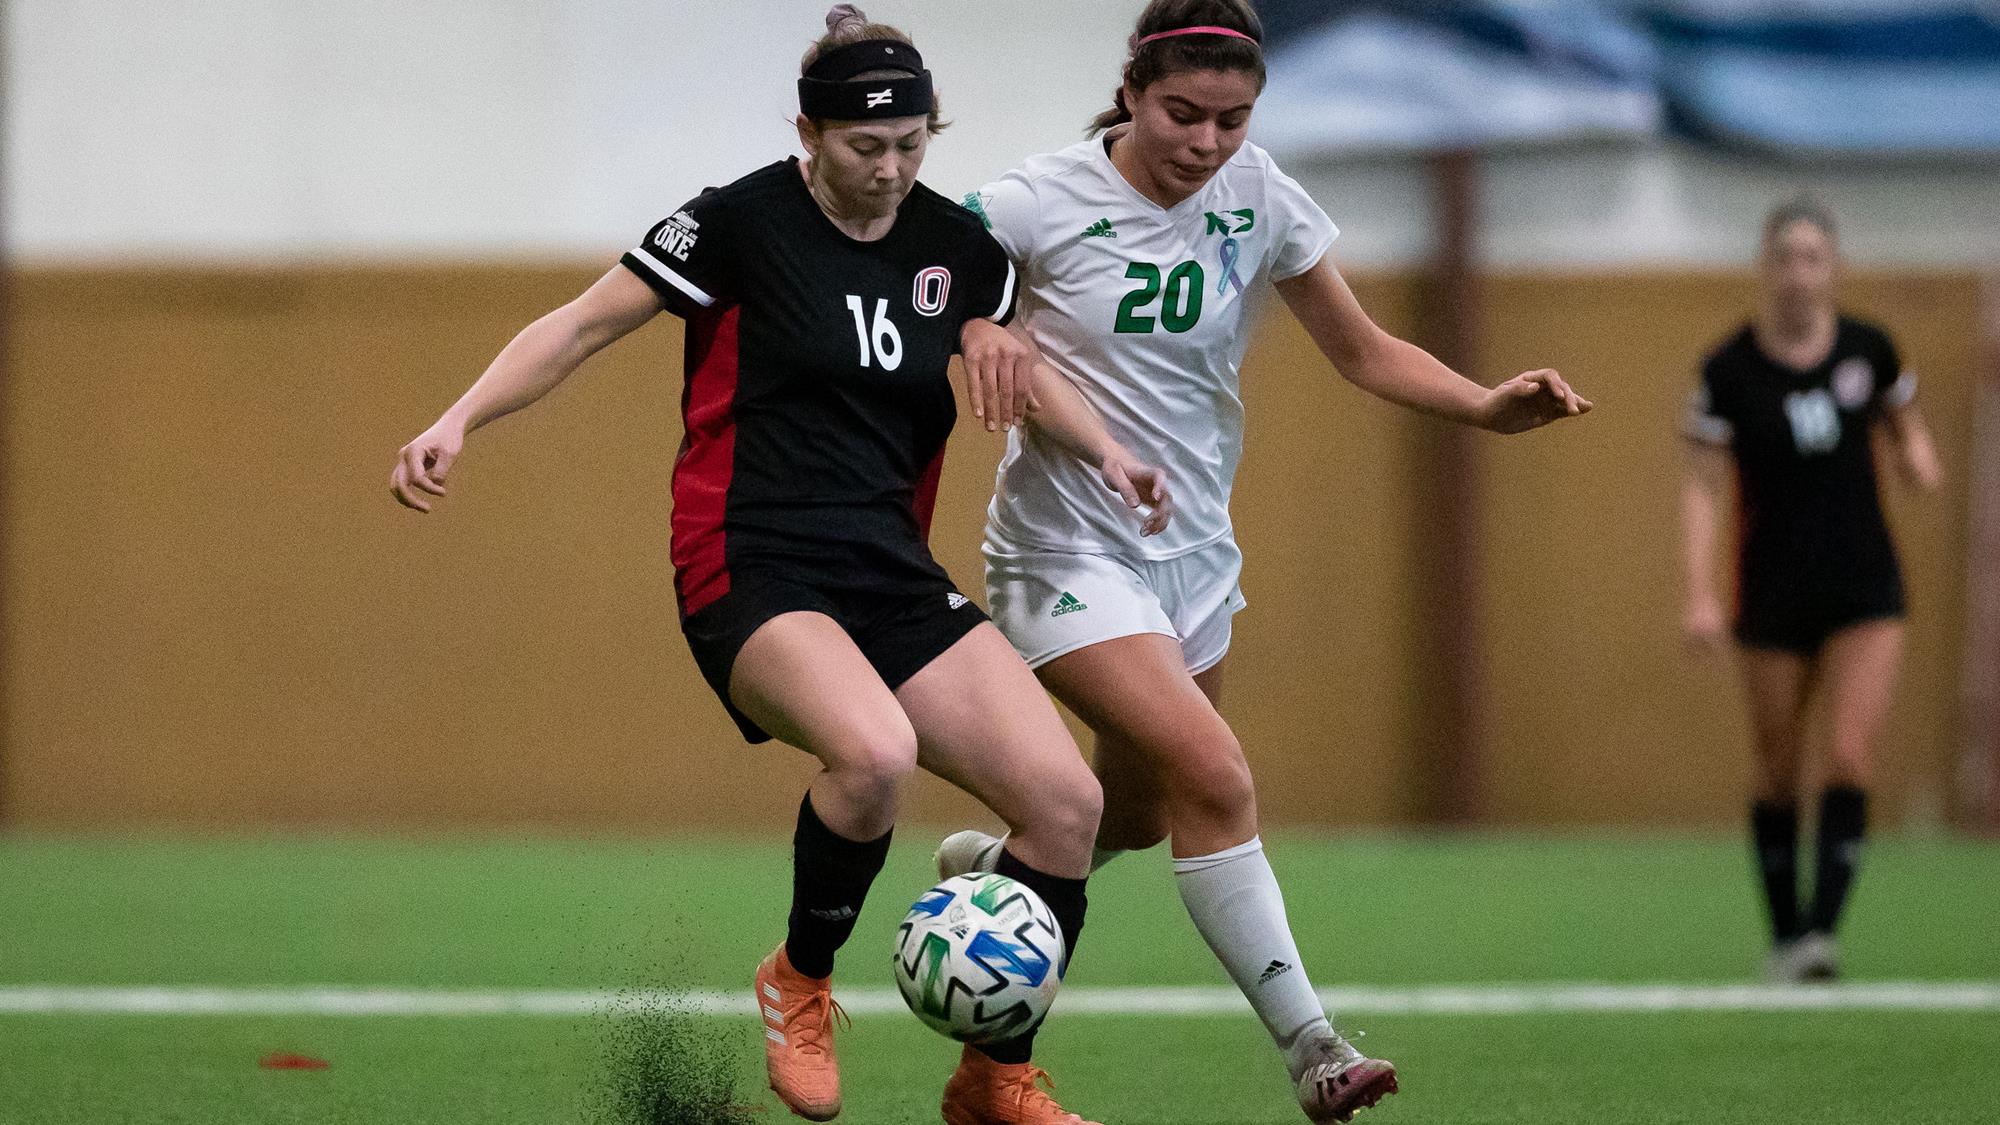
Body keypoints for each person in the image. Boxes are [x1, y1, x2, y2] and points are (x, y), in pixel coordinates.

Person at [390, 8, 1173, 1122]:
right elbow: (577, 326)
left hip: (888, 570)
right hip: (748, 560)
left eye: (911, 144)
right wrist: (458, 418)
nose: (889, 169)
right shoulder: (737, 223)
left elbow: (1018, 363)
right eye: (865, 146)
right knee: (874, 753)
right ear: (808, 133)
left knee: (1066, 803)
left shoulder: (956, 248)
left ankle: (994, 1077)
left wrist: (1109, 453)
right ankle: (798, 980)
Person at [934, 1, 1591, 1121]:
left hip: (1192, 556)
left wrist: (1484, 406)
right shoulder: (1034, 200)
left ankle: (993, 878)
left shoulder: (1259, 194)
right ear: (1131, 94)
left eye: (1231, 119)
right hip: (1063, 549)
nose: (1205, 142)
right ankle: (1313, 1049)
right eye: (1181, 114)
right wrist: (977, 326)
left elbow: (1362, 348)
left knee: (1134, 816)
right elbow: (928, 272)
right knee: (1219, 774)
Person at [1681, 195, 1942, 984]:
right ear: (1765, 267)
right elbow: (1702, 485)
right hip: (1772, 590)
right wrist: (1698, 592)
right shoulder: (1728, 371)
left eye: (1812, 258)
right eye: (1785, 258)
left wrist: (1917, 455)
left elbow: (1904, 420)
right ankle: (1785, 932)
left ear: (1834, 268)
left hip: (1865, 584)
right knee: (1776, 766)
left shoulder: (1870, 349)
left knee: (1850, 755)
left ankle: (1821, 935)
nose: (1798, 273)